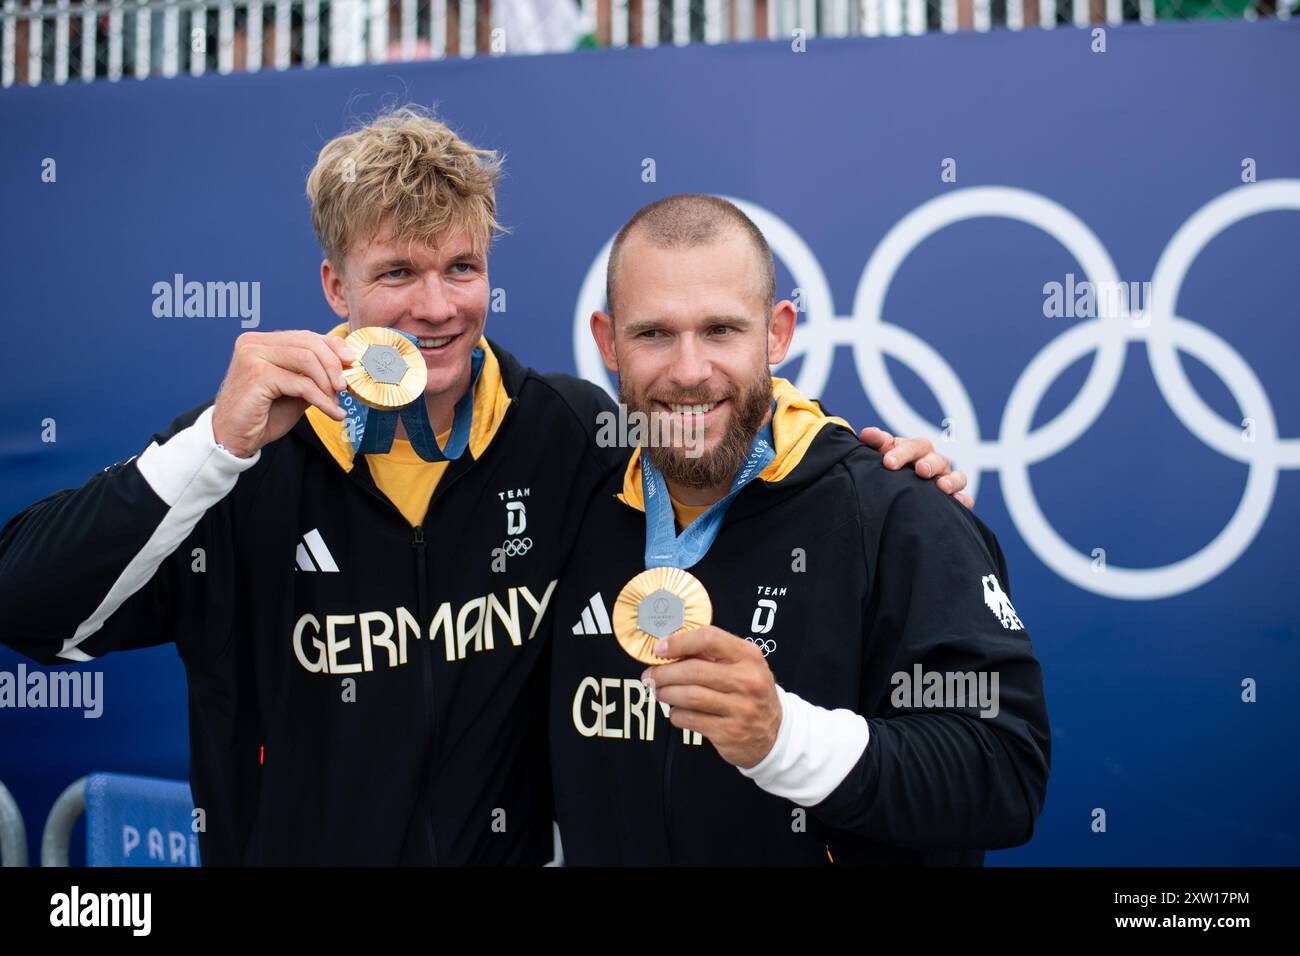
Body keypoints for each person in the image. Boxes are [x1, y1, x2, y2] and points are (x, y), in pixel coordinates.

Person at [0, 107, 968, 866]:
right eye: (397, 272)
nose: (435, 306)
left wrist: (883, 472)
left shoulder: (568, 435)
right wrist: (213, 446)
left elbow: (716, 411)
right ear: (335, 287)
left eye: (462, 267)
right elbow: (26, 600)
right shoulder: (244, 453)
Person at [550, 194, 1050, 865]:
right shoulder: (574, 498)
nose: (690, 371)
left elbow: (1004, 771)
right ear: (608, 342)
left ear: (777, 332)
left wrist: (784, 740)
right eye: (654, 334)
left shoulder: (897, 513)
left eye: (721, 330)